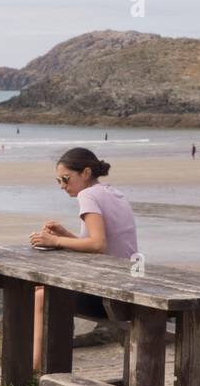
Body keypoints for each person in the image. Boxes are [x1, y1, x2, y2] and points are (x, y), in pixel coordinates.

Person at [27, 147, 139, 371]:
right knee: (45, 290)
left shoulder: (87, 195)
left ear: (85, 173)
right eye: (58, 180)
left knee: (41, 297)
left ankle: (34, 372)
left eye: (65, 179)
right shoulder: (112, 192)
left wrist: (55, 242)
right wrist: (65, 234)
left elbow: (98, 244)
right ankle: (47, 367)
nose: (62, 185)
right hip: (127, 283)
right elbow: (98, 245)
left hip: (112, 293)